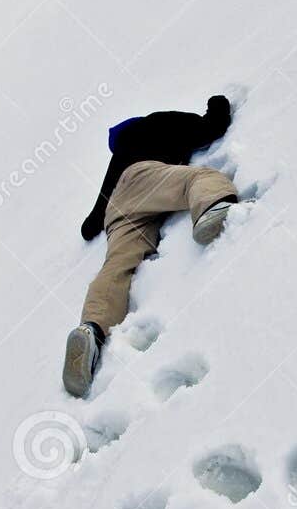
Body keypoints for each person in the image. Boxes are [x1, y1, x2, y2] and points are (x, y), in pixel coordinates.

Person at [62, 95, 237, 396]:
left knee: (117, 266)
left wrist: (91, 226)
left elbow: (91, 224)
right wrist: (218, 103)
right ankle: (212, 207)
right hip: (147, 178)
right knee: (199, 179)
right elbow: (210, 128)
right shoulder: (159, 121)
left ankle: (92, 328)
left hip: (117, 208)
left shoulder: (118, 158)